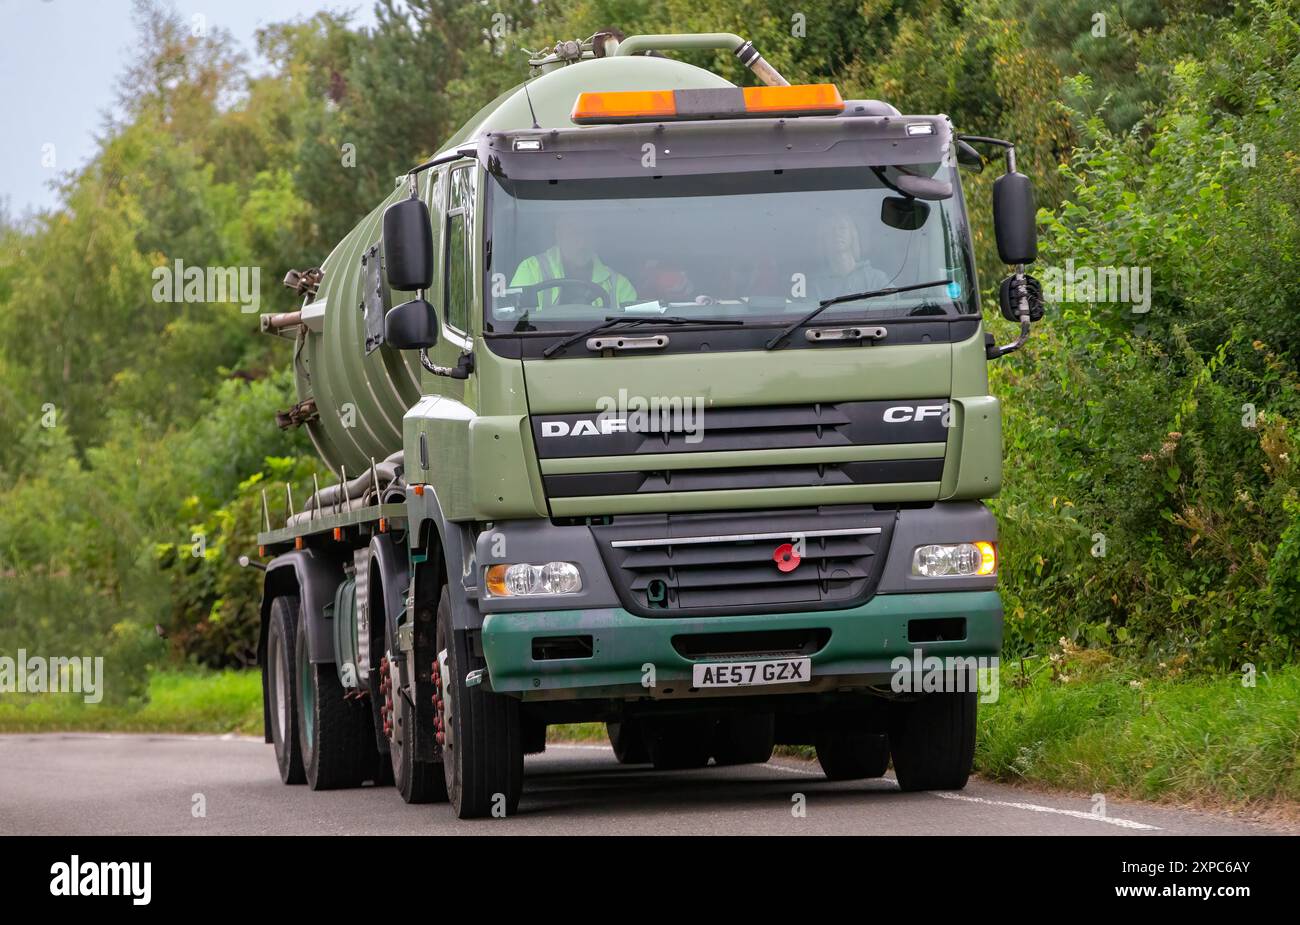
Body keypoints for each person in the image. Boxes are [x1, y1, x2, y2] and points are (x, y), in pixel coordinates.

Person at [510, 212, 637, 310]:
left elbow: (632, 326)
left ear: (597, 238)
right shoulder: (530, 269)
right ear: (559, 235)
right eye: (574, 234)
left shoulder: (619, 285)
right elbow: (515, 321)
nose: (582, 243)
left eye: (588, 234)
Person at [812, 211, 890, 300]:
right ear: (824, 239)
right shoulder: (817, 285)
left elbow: (893, 303)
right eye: (831, 230)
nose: (837, 233)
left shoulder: (876, 278)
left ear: (853, 235)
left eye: (842, 228)